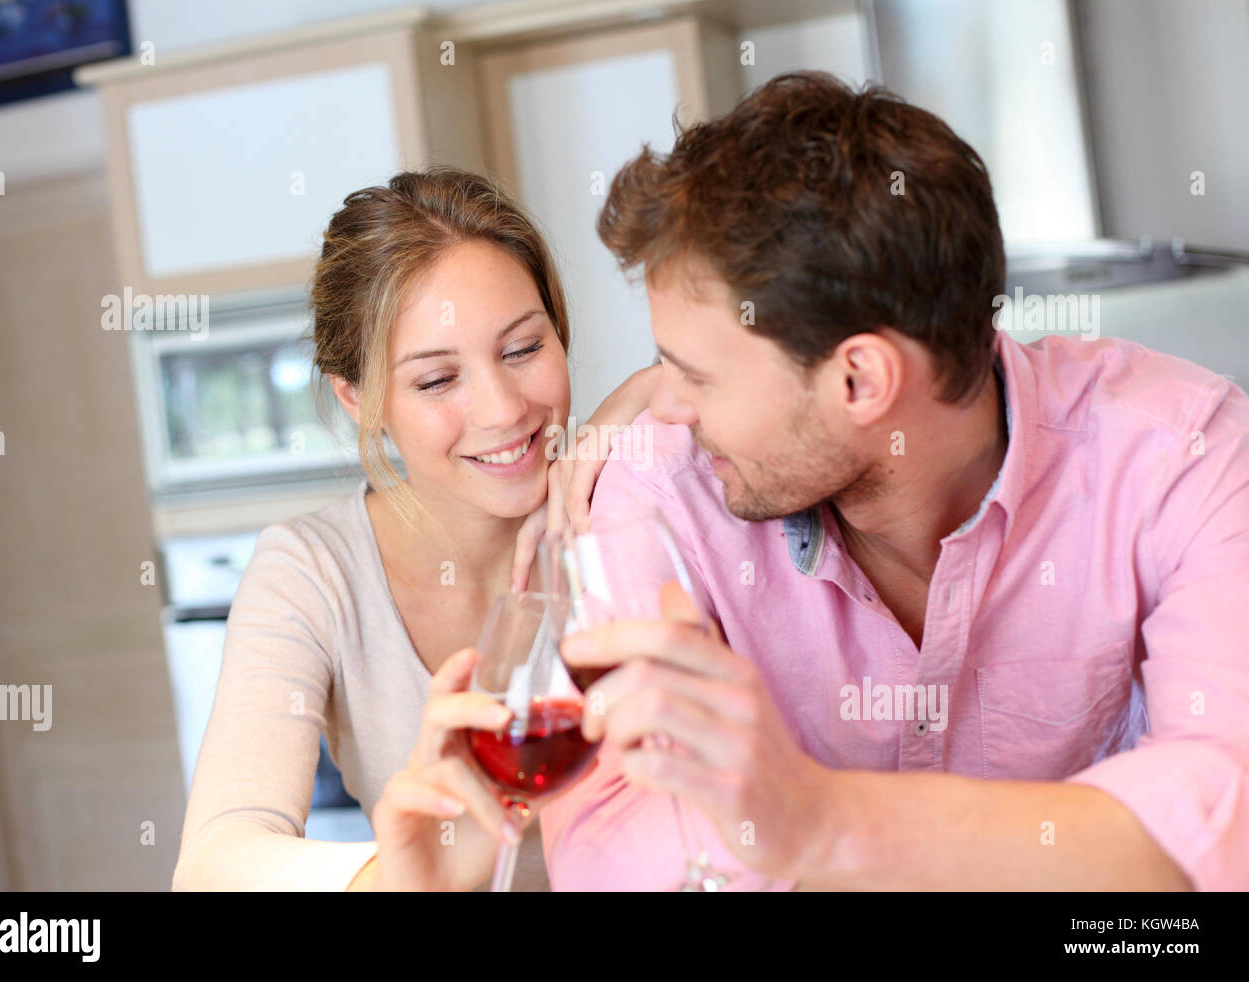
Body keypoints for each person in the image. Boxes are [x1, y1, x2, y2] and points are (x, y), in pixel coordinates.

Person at [543, 71, 1249, 891]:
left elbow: (1226, 806)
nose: (662, 404)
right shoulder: (665, 491)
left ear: (860, 382)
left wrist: (820, 822)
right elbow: (605, 841)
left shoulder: (1179, 450)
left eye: (695, 375)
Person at [172, 167, 657, 892]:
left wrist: (647, 390)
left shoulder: (645, 495)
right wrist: (400, 878)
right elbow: (214, 865)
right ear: (359, 398)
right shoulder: (313, 572)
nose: (502, 410)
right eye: (436, 381)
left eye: (523, 349)